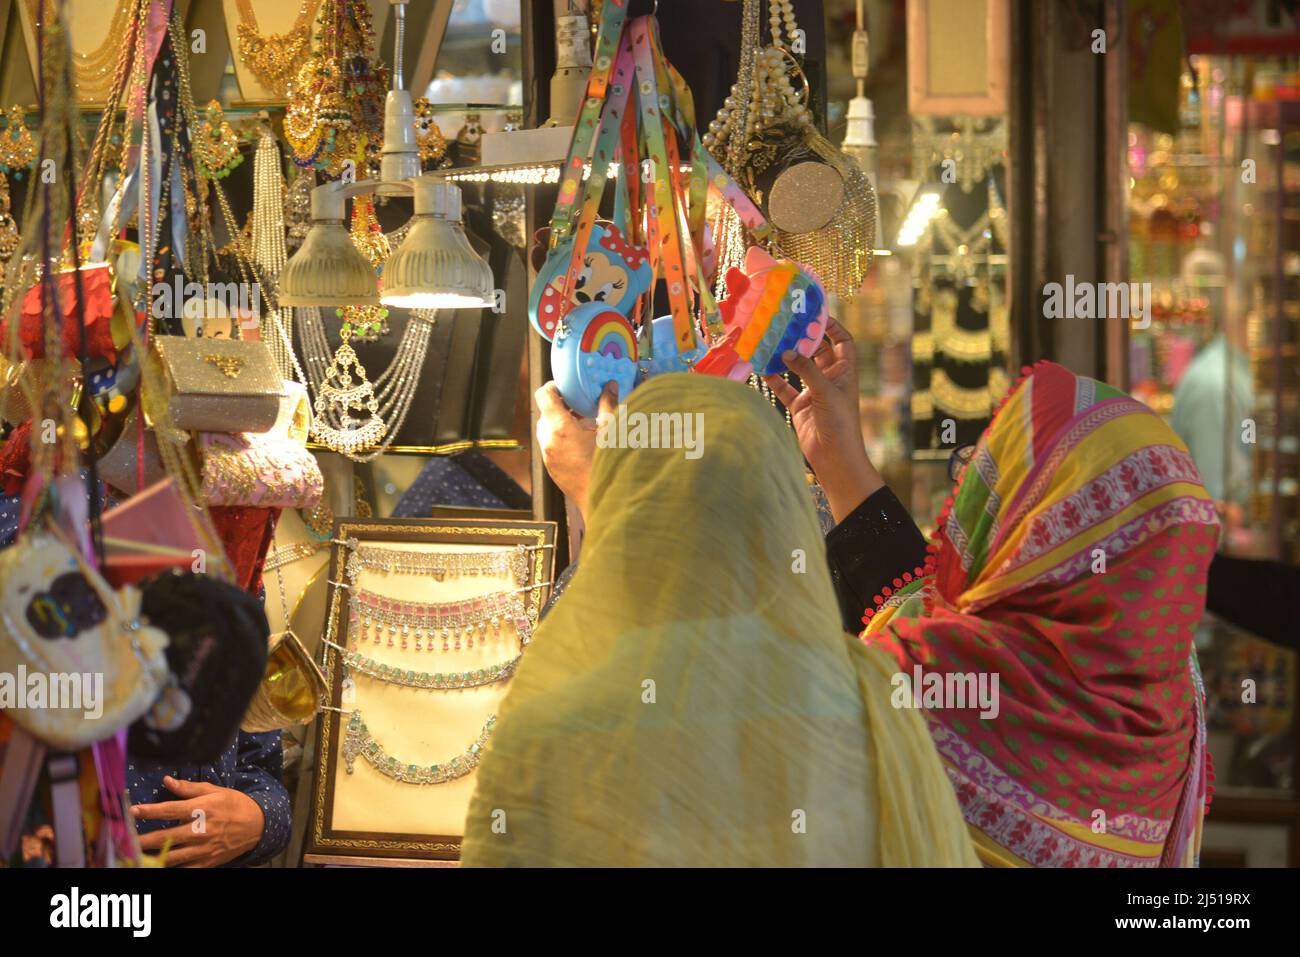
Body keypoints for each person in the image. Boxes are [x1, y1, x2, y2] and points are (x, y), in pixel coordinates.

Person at [460, 374, 977, 866]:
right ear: (788, 513)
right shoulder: (871, 706)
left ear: (628, 516)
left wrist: (599, 505)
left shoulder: (548, 732)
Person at [768, 335, 1216, 866]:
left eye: (988, 468)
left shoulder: (915, 685)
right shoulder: (1172, 695)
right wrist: (838, 460)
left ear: (1034, 522)